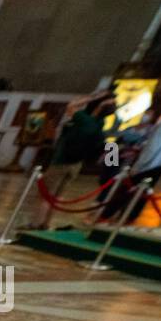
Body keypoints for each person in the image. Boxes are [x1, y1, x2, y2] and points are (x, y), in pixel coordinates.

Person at [30, 93, 114, 229]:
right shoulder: (99, 123)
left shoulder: (83, 119)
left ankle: (36, 224)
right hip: (76, 164)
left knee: (46, 195)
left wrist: (94, 97)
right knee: (56, 197)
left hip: (61, 162)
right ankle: (46, 224)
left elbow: (71, 106)